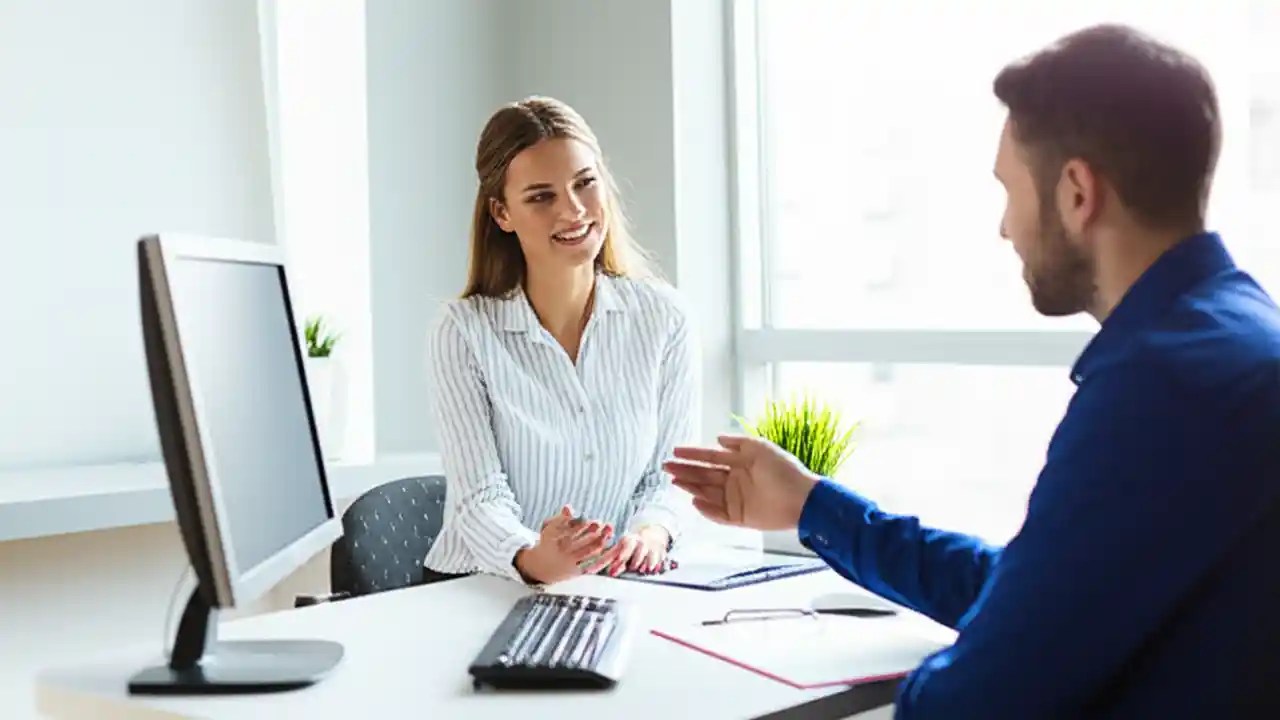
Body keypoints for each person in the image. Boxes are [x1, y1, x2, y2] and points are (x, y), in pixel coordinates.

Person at [665, 24, 1280, 719]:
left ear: (1077, 193)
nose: (1005, 227)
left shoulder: (1164, 387)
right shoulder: (1237, 336)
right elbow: (1039, 592)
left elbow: (972, 701)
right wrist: (813, 506)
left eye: (1009, 190)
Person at [423, 96, 698, 587]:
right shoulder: (463, 331)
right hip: (486, 588)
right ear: (502, 214)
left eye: (585, 183)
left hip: (611, 587)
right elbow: (478, 498)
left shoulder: (664, 318)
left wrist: (650, 533)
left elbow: (669, 474)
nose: (573, 210)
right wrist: (532, 556)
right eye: (541, 196)